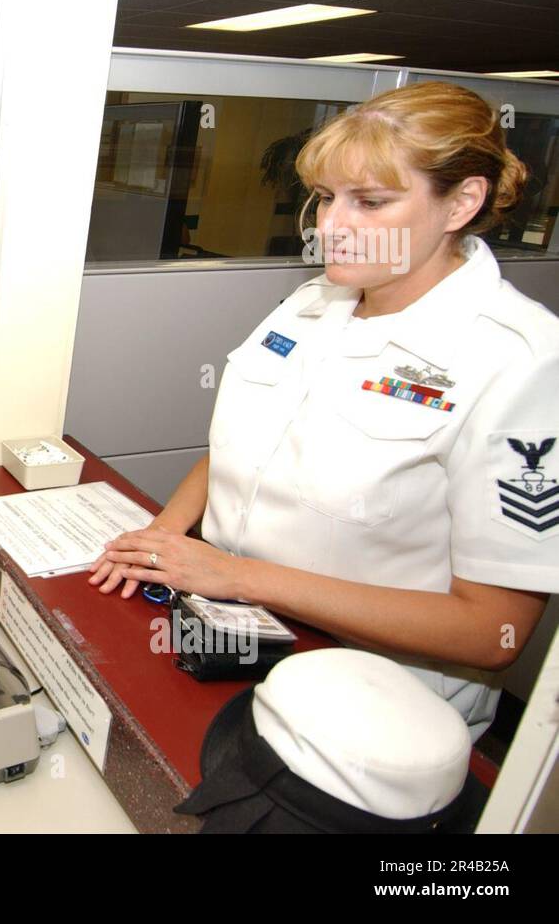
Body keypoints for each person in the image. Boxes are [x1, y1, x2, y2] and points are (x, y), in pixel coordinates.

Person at [88, 81, 557, 742]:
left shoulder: (521, 359)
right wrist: (165, 537)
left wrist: (241, 576)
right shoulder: (314, 301)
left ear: (462, 201)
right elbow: (245, 450)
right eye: (327, 197)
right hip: (230, 636)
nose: (330, 225)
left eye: (370, 201)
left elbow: (492, 632)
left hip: (372, 712)